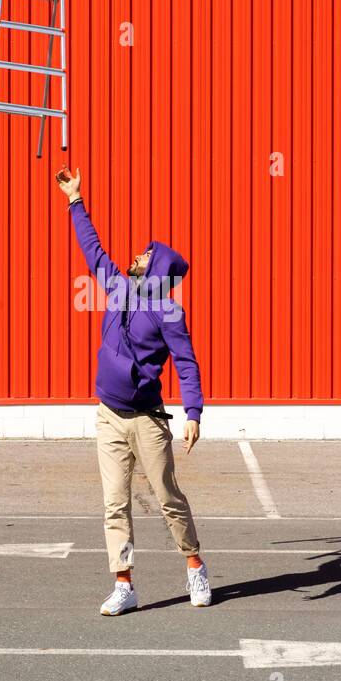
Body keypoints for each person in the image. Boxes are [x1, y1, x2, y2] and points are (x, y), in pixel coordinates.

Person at [57, 166, 211, 615]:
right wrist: (74, 199)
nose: (137, 256)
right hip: (108, 414)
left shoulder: (168, 312)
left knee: (167, 498)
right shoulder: (118, 287)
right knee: (114, 503)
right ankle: (124, 584)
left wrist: (194, 413)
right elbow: (92, 249)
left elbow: (186, 363)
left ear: (157, 269)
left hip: (147, 418)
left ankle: (195, 565)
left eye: (146, 255)